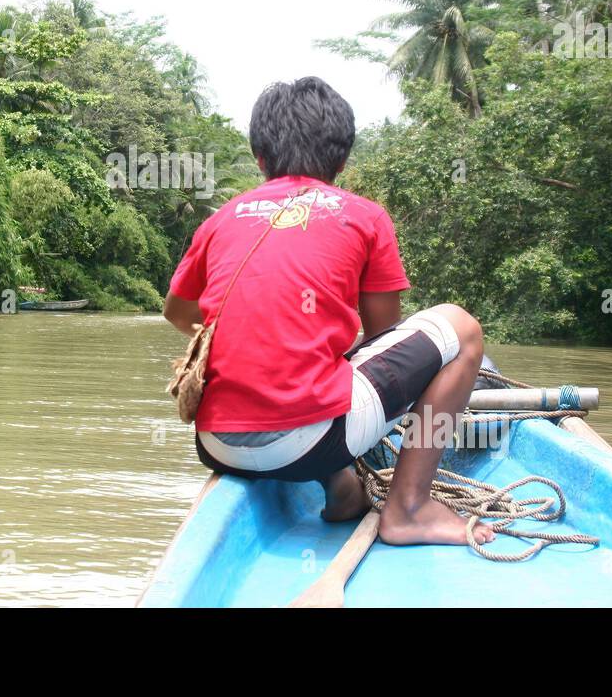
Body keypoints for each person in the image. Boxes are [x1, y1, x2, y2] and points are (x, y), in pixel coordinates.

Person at [163, 76, 493, 546]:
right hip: (309, 443)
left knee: (312, 371)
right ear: (341, 159)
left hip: (215, 444)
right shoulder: (364, 216)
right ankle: (409, 510)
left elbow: (177, 313)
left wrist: (251, 333)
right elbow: (382, 339)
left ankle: (343, 489)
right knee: (462, 330)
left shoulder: (223, 217)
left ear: (260, 158)